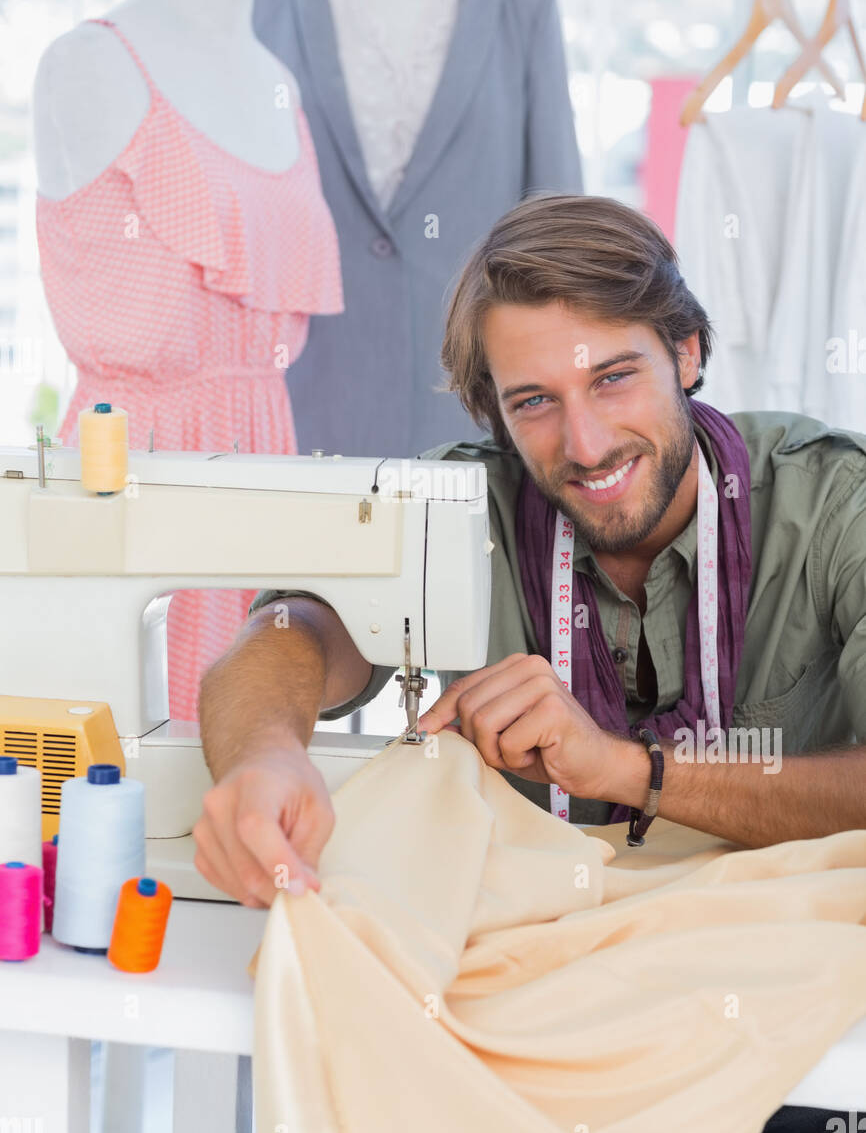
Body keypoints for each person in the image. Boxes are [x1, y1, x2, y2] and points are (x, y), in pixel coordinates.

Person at [195, 194, 866, 910]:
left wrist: (624, 769)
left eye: (612, 378)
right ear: (497, 415)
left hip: (783, 938)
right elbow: (289, 633)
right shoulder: (455, 507)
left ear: (686, 352)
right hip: (543, 937)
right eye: (535, 402)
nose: (586, 445)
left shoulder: (830, 502)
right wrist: (264, 755)